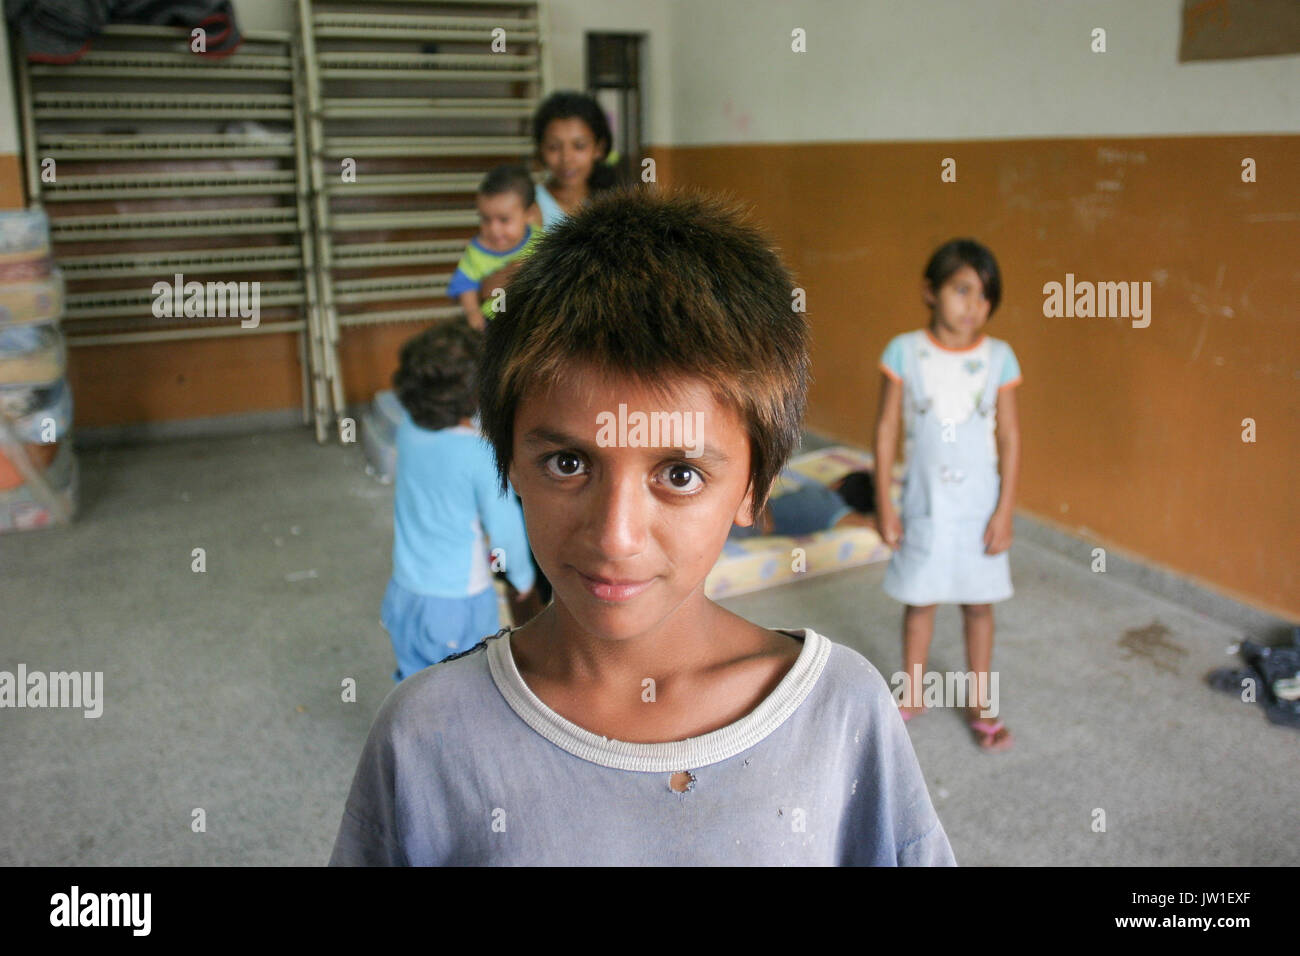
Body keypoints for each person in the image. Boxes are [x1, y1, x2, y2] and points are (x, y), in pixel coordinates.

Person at [329, 188, 955, 866]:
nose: (615, 536)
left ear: (755, 487)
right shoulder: (425, 736)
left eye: (679, 474)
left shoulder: (842, 713)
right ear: (508, 462)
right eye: (568, 462)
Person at [873, 239, 1023, 752]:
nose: (973, 306)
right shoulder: (903, 351)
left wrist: (1005, 510)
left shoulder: (999, 357)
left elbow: (1009, 437)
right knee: (921, 598)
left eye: (984, 296)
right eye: (962, 290)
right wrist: (885, 503)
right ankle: (912, 692)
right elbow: (887, 427)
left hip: (980, 507)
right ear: (930, 292)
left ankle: (980, 701)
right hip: (924, 502)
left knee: (979, 605)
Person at [381, 323, 535, 682]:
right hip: (456, 602)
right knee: (465, 688)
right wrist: (522, 578)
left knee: (415, 682)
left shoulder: (408, 429)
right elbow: (505, 529)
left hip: (404, 594)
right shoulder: (478, 454)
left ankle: (406, 734)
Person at [446, 166, 541, 330]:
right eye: (485, 219)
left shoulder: (539, 239)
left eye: (504, 220)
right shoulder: (476, 252)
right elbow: (464, 284)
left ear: (529, 214)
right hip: (494, 324)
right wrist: (473, 312)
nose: (494, 230)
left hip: (533, 319)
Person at [728, 470, 878, 538]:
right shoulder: (838, 513)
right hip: (755, 525)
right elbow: (867, 523)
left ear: (839, 483)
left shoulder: (815, 491)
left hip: (752, 513)